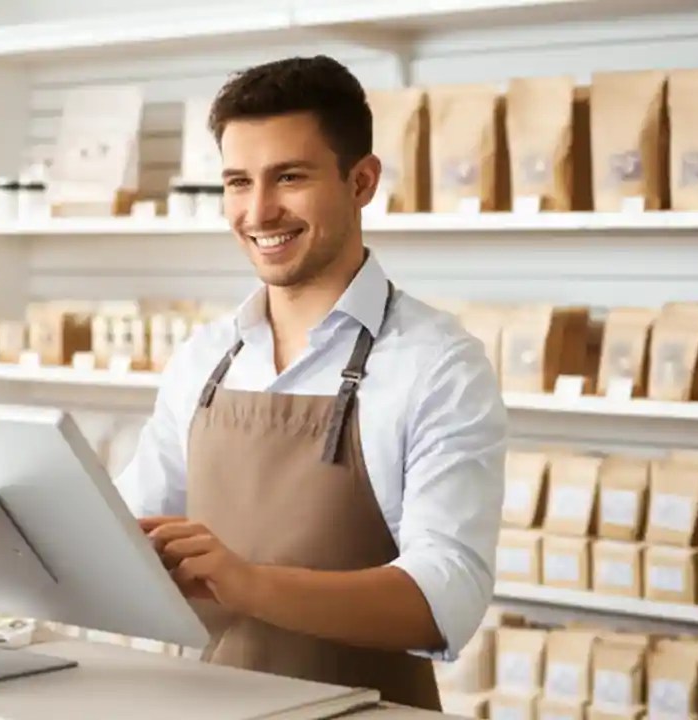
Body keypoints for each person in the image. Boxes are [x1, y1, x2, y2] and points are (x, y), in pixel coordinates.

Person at [114, 55, 507, 710]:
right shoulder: (207, 357)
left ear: (362, 181)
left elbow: (445, 598)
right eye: (238, 182)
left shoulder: (438, 364)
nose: (259, 210)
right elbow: (128, 526)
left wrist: (247, 583)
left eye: (288, 177)